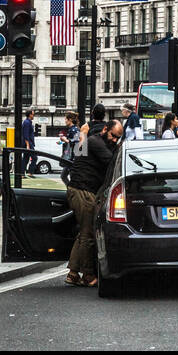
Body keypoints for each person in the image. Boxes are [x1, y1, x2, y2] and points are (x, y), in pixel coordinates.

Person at [64, 118, 122, 287]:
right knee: (89, 235)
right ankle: (88, 275)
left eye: (118, 138)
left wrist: (82, 134)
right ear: (105, 129)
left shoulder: (91, 141)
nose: (114, 140)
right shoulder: (96, 142)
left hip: (79, 189)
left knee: (83, 233)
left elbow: (78, 153)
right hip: (83, 191)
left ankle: (73, 273)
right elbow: (112, 162)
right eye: (113, 135)